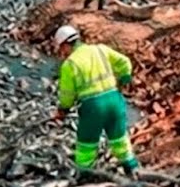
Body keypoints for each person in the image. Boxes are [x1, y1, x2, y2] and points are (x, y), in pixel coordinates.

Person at [52, 25, 139, 178]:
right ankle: (132, 169)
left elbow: (67, 94)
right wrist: (124, 79)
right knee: (119, 138)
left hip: (93, 107)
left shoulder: (69, 64)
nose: (62, 52)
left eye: (61, 48)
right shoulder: (100, 49)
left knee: (86, 145)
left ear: (65, 45)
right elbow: (125, 62)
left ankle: (84, 176)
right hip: (114, 100)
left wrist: (62, 110)